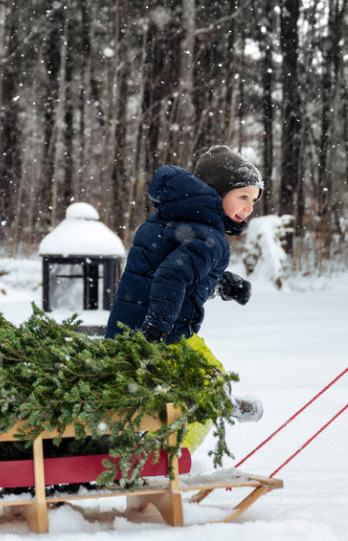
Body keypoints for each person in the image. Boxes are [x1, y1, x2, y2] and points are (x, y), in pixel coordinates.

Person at [105, 144, 265, 433]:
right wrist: (156, 327)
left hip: (127, 330)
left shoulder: (170, 220)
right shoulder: (210, 237)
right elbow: (171, 276)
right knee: (205, 389)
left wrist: (222, 283)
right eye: (243, 196)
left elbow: (170, 271)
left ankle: (154, 446)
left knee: (147, 398)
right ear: (217, 193)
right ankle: (175, 459)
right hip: (165, 337)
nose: (250, 207)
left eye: (254, 200)